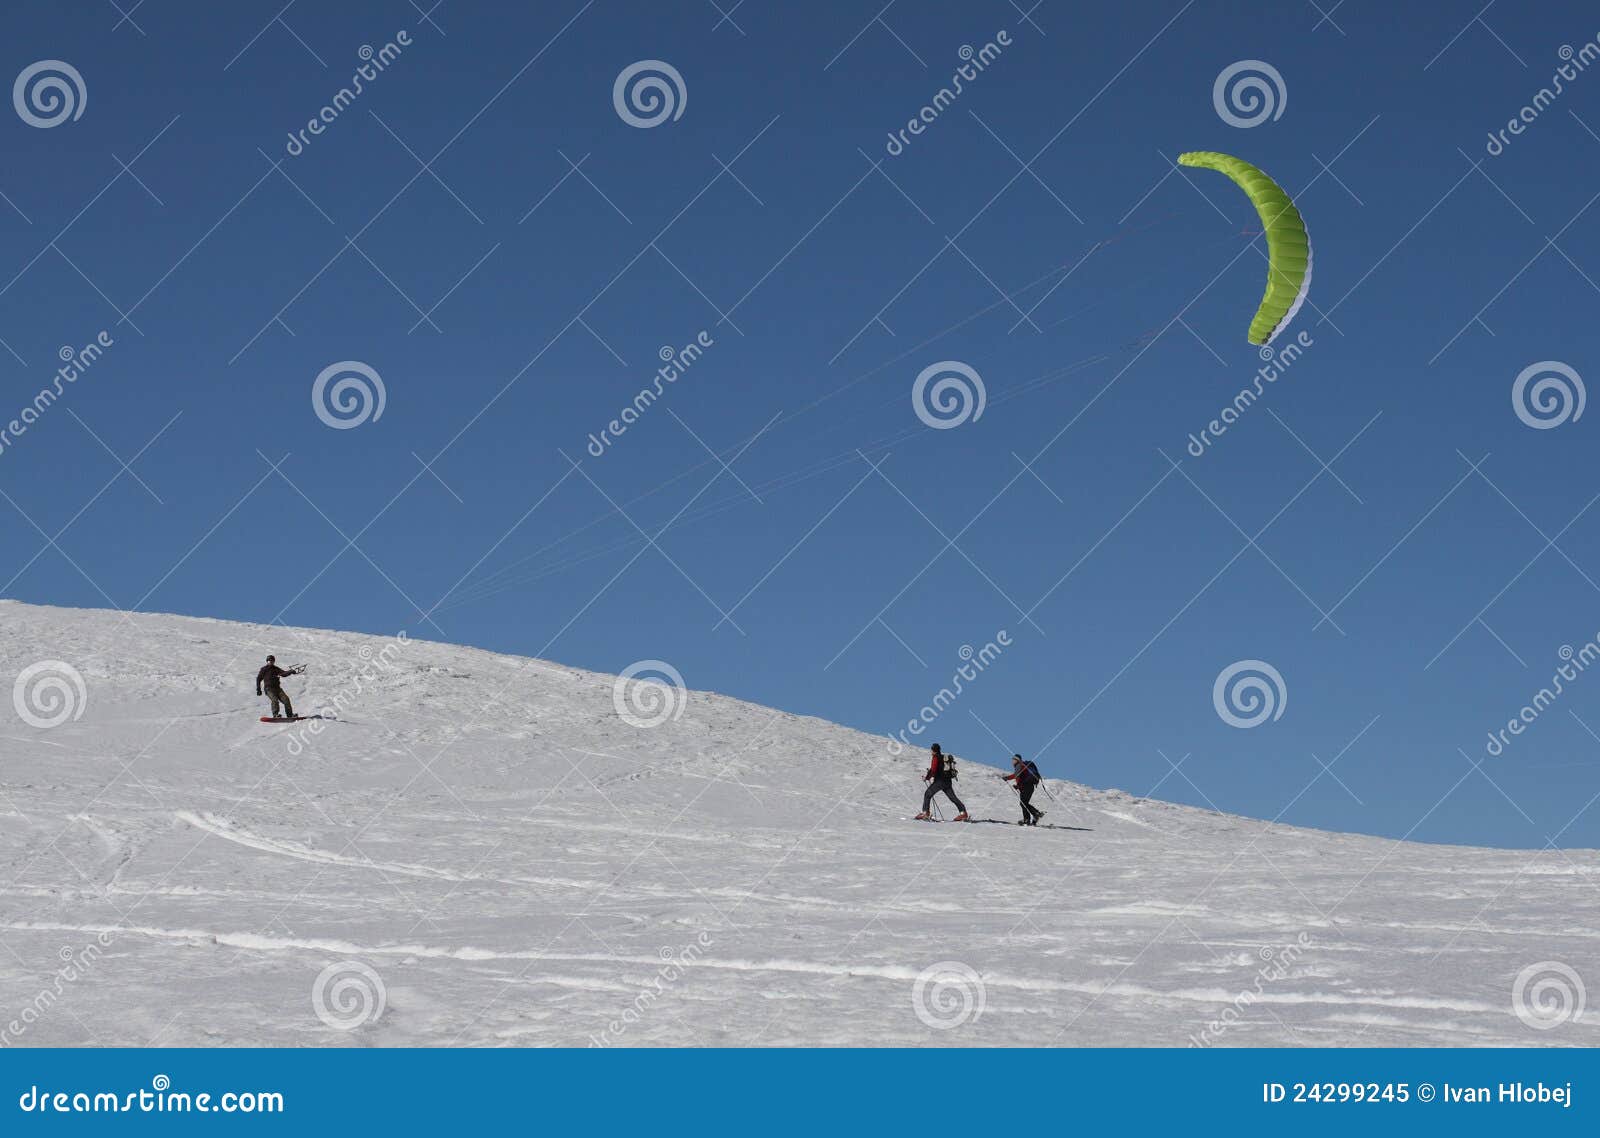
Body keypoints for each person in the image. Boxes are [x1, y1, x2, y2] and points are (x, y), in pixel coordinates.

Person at [915, 743, 969, 821]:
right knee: (953, 798)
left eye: (932, 750)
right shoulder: (943, 757)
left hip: (940, 781)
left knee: (927, 794)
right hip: (947, 781)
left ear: (934, 750)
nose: (931, 751)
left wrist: (927, 778)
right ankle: (963, 813)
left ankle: (925, 813)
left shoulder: (935, 757)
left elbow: (933, 770)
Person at [1001, 754, 1045, 826]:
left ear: (1017, 760)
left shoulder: (1019, 765)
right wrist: (1018, 786)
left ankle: (1028, 818)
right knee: (1024, 803)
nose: (1012, 761)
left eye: (1013, 760)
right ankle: (1035, 814)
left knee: (1023, 803)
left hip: (1026, 787)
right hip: (1030, 787)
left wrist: (1007, 778)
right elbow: (1022, 778)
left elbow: (1016, 775)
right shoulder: (1023, 766)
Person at [256, 655, 301, 719]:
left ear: (274, 661)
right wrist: (258, 689)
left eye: (272, 661)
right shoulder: (264, 669)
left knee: (286, 700)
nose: (270, 662)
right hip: (269, 689)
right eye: (269, 661)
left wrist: (291, 671)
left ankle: (290, 715)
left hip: (278, 689)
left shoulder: (276, 669)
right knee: (275, 700)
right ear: (267, 661)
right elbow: (258, 679)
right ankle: (275, 715)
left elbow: (283, 673)